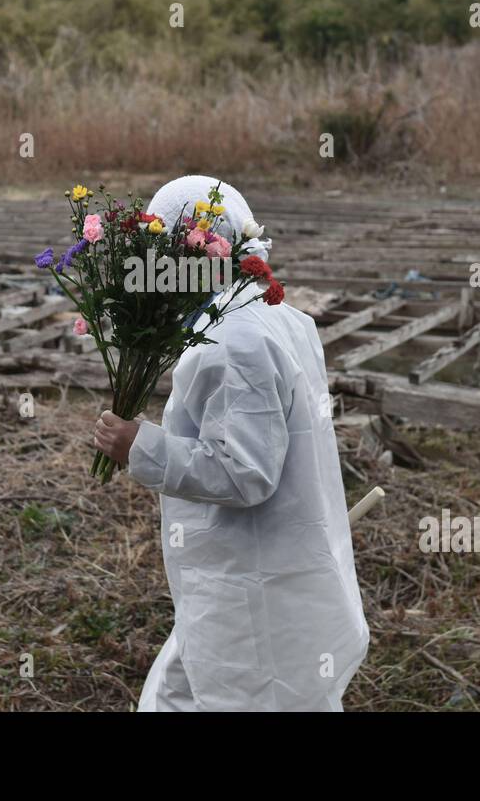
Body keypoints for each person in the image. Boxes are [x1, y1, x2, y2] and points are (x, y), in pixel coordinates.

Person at [92, 175, 369, 711]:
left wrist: (138, 447)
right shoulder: (278, 318)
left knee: (245, 694)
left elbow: (246, 472)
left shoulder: (233, 342)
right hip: (258, 569)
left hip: (251, 588)